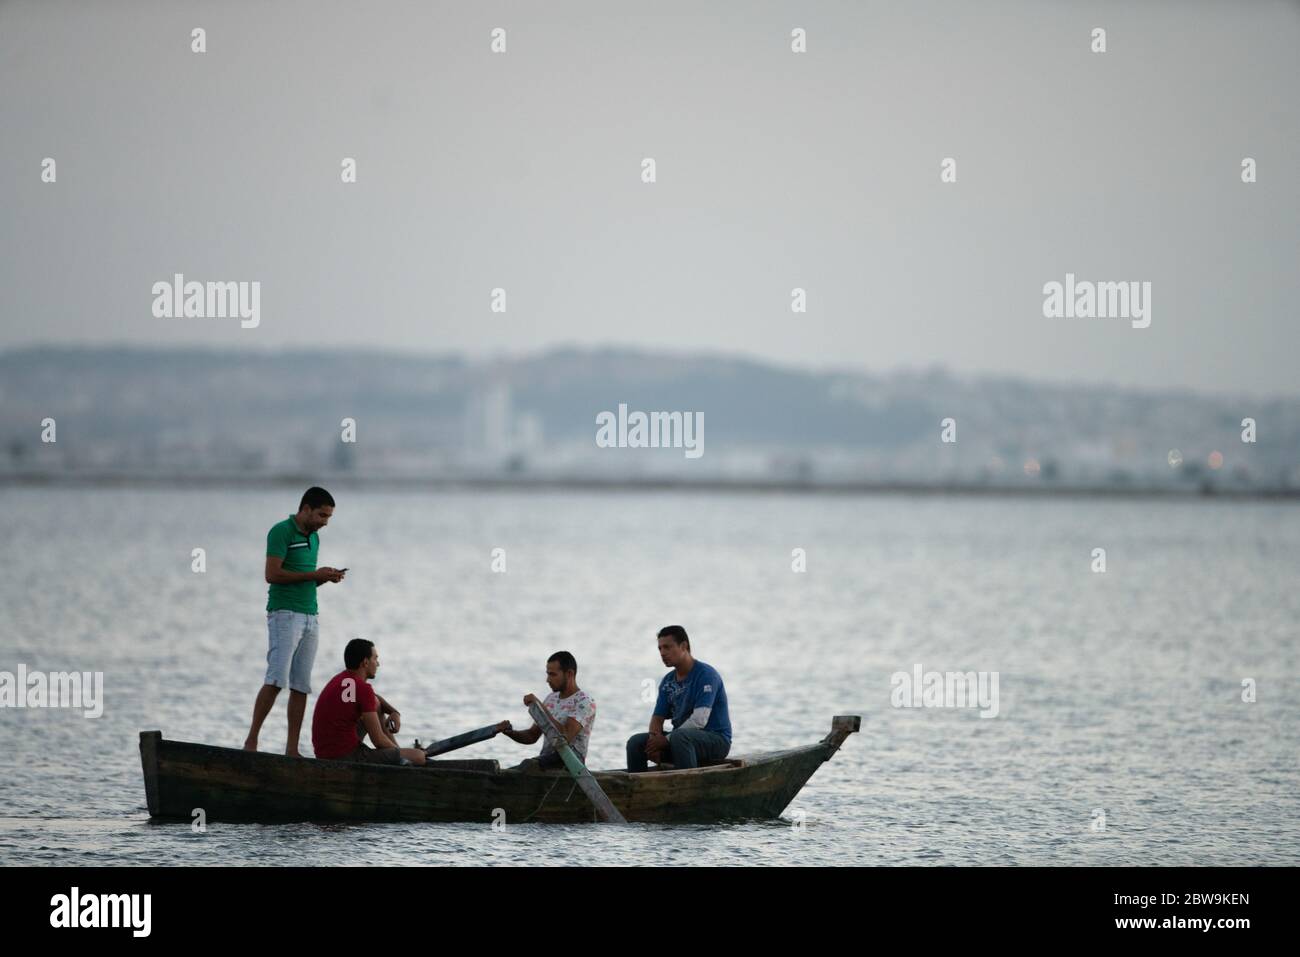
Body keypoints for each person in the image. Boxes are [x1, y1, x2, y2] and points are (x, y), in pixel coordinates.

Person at [243, 487, 346, 756]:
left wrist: (325, 577)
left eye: (329, 517)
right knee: (276, 679)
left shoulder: (315, 539)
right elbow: (272, 574)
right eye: (322, 515)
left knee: (301, 685)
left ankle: (292, 750)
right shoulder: (281, 531)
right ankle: (251, 742)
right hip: (285, 614)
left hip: (311, 615)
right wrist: (314, 574)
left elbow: (305, 577)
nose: (325, 522)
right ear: (306, 509)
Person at [626, 625, 731, 772]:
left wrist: (665, 740)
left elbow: (699, 720)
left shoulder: (706, 675)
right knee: (635, 742)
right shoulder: (668, 681)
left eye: (667, 647)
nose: (662, 653)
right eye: (660, 649)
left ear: (684, 646)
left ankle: (687, 787)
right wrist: (653, 742)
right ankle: (636, 788)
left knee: (679, 737)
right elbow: (657, 718)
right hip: (679, 740)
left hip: (715, 740)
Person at [311, 638, 426, 765]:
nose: (378, 664)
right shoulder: (363, 689)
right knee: (419, 756)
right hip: (346, 757)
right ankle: (399, 755)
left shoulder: (341, 679)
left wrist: (394, 712)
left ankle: (398, 753)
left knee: (375, 705)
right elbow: (378, 741)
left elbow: (374, 699)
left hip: (324, 753)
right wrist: (403, 753)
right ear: (365, 662)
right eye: (375, 659)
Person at [497, 651, 596, 770]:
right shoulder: (551, 699)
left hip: (571, 765)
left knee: (528, 766)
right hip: (546, 761)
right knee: (509, 771)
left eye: (553, 675)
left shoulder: (584, 702)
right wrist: (510, 732)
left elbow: (564, 738)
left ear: (569, 674)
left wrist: (539, 706)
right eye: (548, 674)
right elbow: (531, 736)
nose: (548, 680)